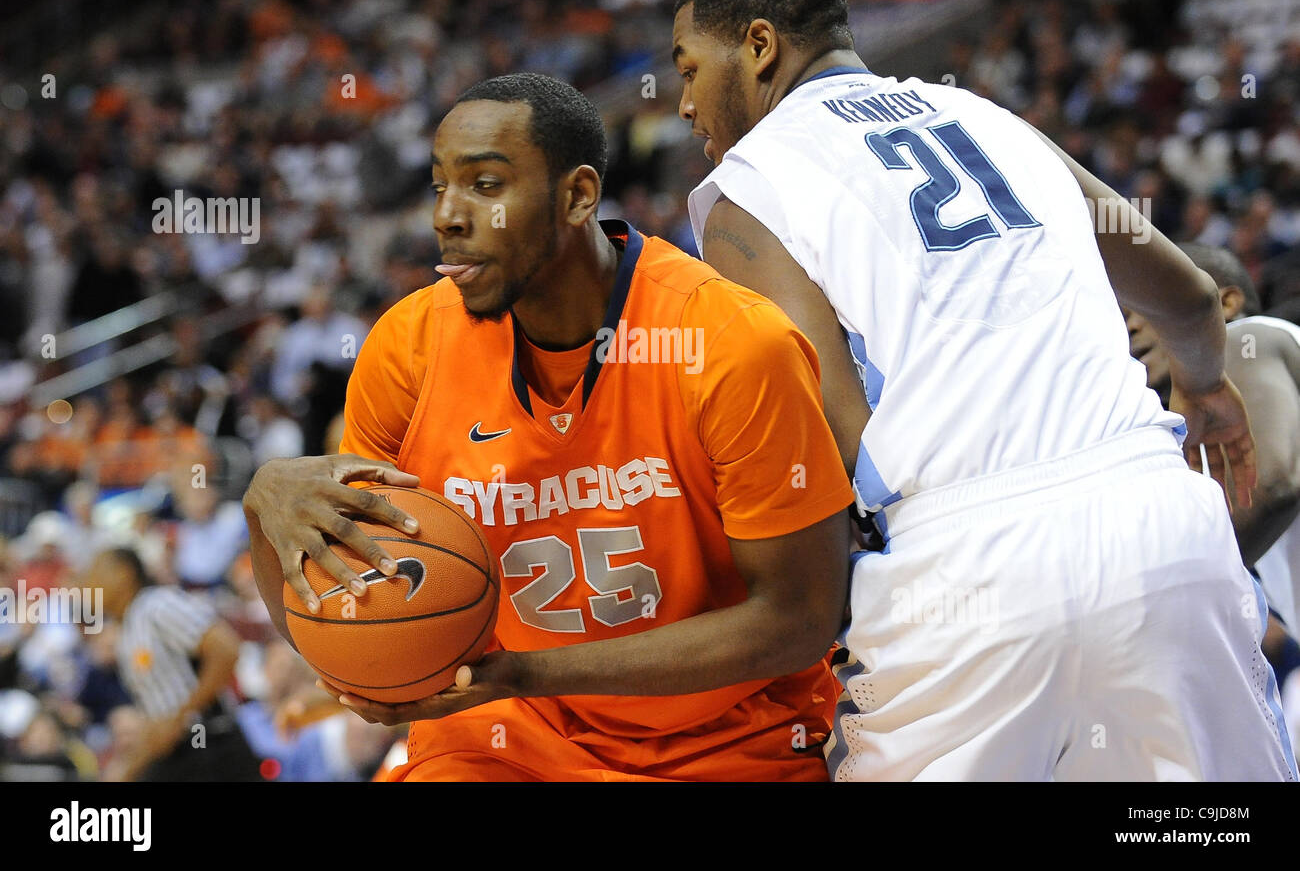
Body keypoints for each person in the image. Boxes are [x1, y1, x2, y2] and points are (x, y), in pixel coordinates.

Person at [670, 0, 1295, 781]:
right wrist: (1207, 386)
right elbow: (1183, 293)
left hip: (965, 570)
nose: (680, 103)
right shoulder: (990, 116)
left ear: (758, 46)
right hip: (1158, 526)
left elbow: (836, 424)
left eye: (685, 68)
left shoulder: (746, 187)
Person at [242, 73, 854, 781]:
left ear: (577, 196)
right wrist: (267, 508)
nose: (447, 214)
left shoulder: (729, 342)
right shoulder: (406, 347)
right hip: (507, 738)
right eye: (441, 185)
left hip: (729, 735)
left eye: (487, 185)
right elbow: (350, 616)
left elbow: (798, 620)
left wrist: (525, 671)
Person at [1128, 243, 1300, 633]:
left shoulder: (1245, 338)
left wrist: (1156, 609)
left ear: (1225, 304)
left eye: (1140, 306)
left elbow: (1270, 486)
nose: (1131, 326)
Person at [82, 546, 262, 781]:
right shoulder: (127, 630)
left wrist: (180, 716)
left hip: (209, 741)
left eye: (96, 574)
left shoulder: (159, 605)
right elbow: (158, 720)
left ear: (123, 573)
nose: (89, 584)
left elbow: (227, 650)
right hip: (182, 751)